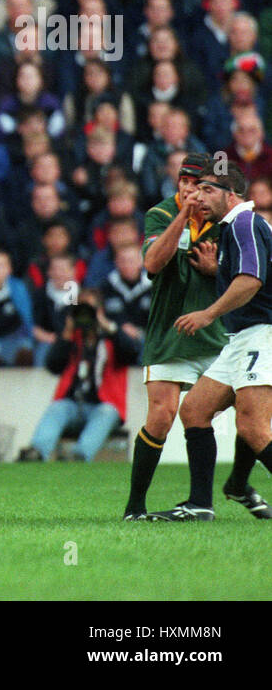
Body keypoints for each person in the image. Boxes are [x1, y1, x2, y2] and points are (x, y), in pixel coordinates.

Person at [122, 154, 266, 518]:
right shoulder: (164, 215)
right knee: (182, 412)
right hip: (191, 333)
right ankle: (176, 504)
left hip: (238, 332)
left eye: (203, 187)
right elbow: (153, 264)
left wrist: (209, 297)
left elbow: (250, 277)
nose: (194, 193)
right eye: (189, 183)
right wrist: (189, 226)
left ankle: (236, 484)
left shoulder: (238, 223)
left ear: (227, 193)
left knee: (251, 421)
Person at [20, 288, 136, 463]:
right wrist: (67, 333)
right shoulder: (72, 337)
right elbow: (53, 366)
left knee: (105, 413)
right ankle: (37, 452)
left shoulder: (112, 336)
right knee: (57, 408)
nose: (84, 314)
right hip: (73, 404)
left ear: (100, 310)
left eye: (88, 309)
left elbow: (132, 353)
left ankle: (79, 455)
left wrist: (108, 326)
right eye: (80, 308)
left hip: (104, 405)